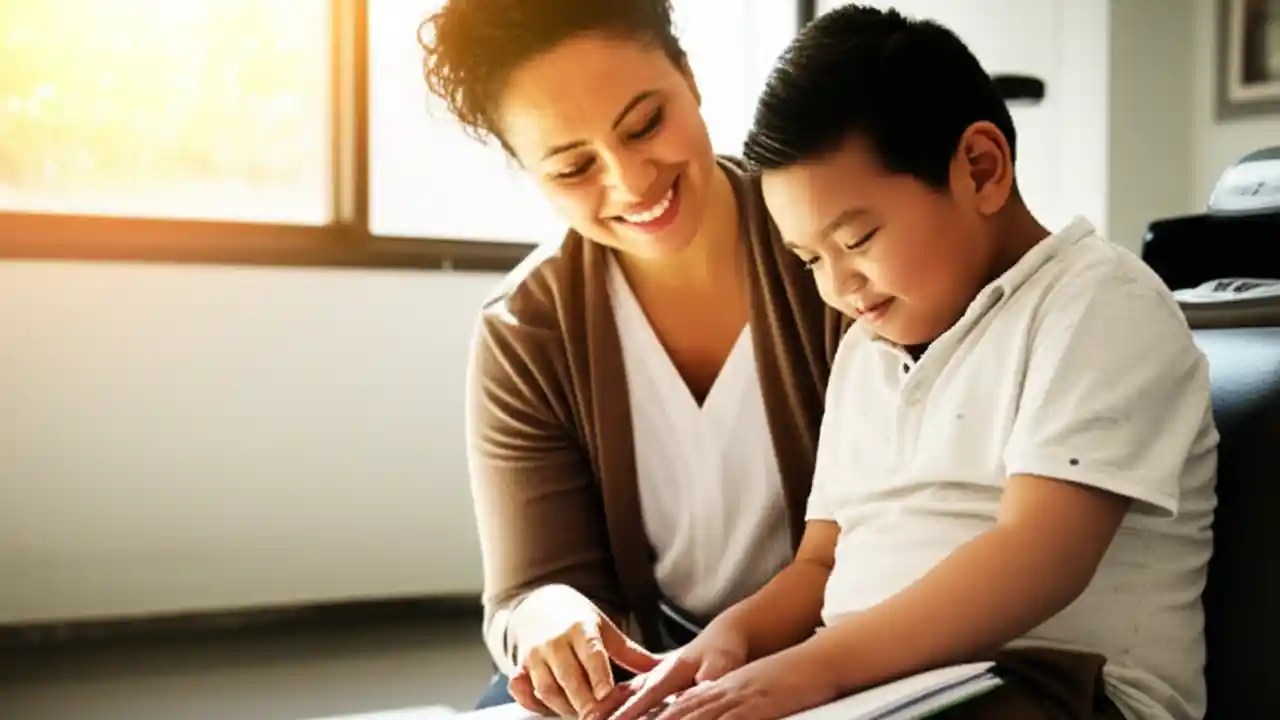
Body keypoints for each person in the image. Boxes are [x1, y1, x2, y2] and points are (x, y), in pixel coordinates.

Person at [605, 6, 1218, 720]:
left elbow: (1040, 555)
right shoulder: (866, 350)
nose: (837, 286)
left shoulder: (1098, 301)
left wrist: (815, 671)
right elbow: (820, 564)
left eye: (858, 238)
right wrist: (729, 641)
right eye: (808, 260)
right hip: (883, 688)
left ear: (980, 169)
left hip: (1054, 687)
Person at [418, 1, 848, 716]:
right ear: (527, 171)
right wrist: (551, 622)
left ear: (689, 75)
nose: (630, 181)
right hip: (649, 675)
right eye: (573, 166)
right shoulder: (526, 331)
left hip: (842, 644)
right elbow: (527, 591)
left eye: (645, 124)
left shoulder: (836, 254)